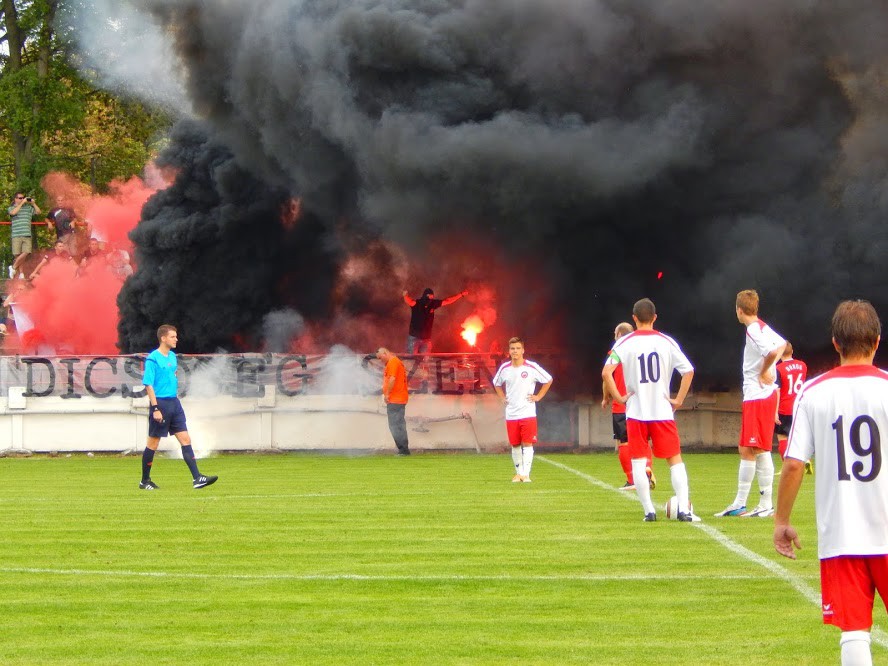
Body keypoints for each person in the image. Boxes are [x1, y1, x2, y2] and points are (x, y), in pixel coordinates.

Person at [774, 300, 888, 666]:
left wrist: (781, 522)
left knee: (853, 631)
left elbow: (793, 465)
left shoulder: (814, 391)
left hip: (842, 533)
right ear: (877, 340)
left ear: (835, 343)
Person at [602, 298, 695, 522]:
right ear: (655, 317)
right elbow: (688, 371)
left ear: (634, 319)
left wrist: (619, 397)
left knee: (638, 462)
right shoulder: (667, 342)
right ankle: (683, 509)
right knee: (675, 460)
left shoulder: (624, 343)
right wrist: (679, 399)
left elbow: (606, 372)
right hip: (662, 411)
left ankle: (649, 512)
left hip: (636, 413)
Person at [716, 290, 786, 518]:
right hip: (759, 396)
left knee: (754, 448)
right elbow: (783, 344)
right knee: (749, 448)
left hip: (757, 395)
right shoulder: (762, 326)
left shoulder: (753, 329)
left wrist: (765, 371)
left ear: (739, 310)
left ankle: (760, 503)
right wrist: (769, 371)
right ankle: (747, 503)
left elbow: (773, 350)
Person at [139, 324, 218, 490]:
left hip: (174, 403)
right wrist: (155, 408)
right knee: (153, 443)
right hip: (160, 403)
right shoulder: (153, 359)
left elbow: (172, 376)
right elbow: (149, 384)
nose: (176, 339)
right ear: (163, 338)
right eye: (173, 336)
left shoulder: (172, 357)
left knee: (185, 439)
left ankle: (197, 478)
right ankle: (144, 481)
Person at [601, 321, 655, 490]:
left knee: (624, 442)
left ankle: (632, 479)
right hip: (642, 403)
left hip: (622, 404)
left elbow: (606, 376)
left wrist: (606, 397)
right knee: (643, 441)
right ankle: (647, 471)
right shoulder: (642, 348)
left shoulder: (617, 350)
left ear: (617, 335)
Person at [493, 337, 553, 483]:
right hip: (511, 413)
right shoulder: (504, 368)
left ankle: (526, 474)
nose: (515, 351)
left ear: (523, 350)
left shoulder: (531, 367)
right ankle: (519, 473)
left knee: (527, 443)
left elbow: (548, 379)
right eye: (513, 348)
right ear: (509, 351)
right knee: (515, 444)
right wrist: (502, 397)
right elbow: (496, 383)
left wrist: (538, 396)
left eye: (518, 348)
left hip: (527, 412)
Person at [403, 287, 469, 354]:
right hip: (414, 338)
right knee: (411, 359)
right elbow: (409, 301)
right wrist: (405, 295)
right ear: (425, 296)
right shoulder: (417, 303)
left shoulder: (433, 303)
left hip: (426, 339)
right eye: (429, 297)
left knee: (425, 361)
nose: (430, 299)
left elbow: (447, 301)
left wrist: (461, 294)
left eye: (432, 297)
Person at [775, 341, 809, 463]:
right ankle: (806, 460)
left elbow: (777, 390)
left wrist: (775, 412)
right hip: (799, 407)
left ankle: (786, 465)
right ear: (792, 351)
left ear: (779, 353)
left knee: (782, 437)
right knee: (797, 436)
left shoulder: (778, 368)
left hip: (784, 408)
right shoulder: (803, 365)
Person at [375, 347, 411, 455]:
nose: (381, 361)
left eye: (381, 358)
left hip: (396, 399)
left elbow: (392, 379)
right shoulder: (394, 362)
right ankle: (403, 449)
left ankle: (403, 450)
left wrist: (387, 394)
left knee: (395, 425)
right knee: (398, 424)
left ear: (385, 353)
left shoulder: (393, 362)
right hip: (398, 399)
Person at [8, 192, 40, 279]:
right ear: (15, 199)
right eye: (20, 198)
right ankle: (21, 274)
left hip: (27, 234)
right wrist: (22, 203)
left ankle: (13, 267)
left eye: (23, 198)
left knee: (26, 252)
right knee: (17, 255)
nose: (22, 199)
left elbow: (38, 212)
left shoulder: (29, 208)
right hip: (16, 234)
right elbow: (13, 213)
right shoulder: (11, 207)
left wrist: (33, 203)